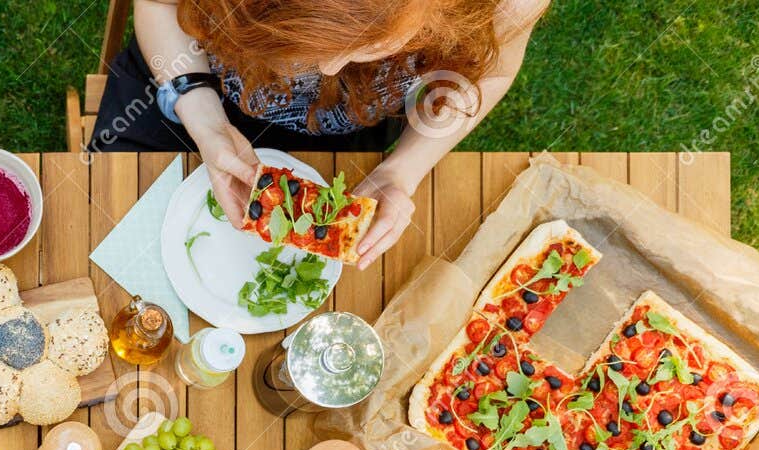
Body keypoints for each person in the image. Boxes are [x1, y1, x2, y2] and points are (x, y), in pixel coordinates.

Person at [90, 0, 549, 265]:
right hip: (189, 85)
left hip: (350, 126)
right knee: (103, 220)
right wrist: (205, 119)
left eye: (367, 47)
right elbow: (159, 3)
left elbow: (490, 70)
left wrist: (404, 169)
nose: (328, 69)